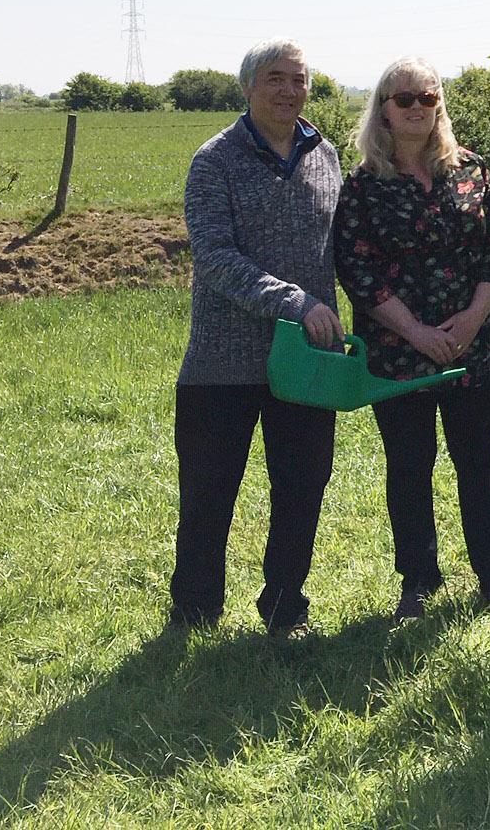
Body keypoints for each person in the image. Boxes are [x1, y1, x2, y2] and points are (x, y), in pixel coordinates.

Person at [333, 56, 490, 618]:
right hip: (399, 353)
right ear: (384, 111)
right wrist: (417, 332)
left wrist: (471, 321)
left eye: (428, 97)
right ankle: (418, 583)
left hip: (475, 349)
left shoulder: (471, 170)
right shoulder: (365, 186)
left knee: (479, 464)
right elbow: (358, 270)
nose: (418, 107)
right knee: (409, 468)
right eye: (405, 99)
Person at [170, 39, 344, 634]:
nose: (288, 90)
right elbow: (214, 258)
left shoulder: (326, 156)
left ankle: (285, 609)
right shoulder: (214, 159)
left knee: (302, 490)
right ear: (247, 87)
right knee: (208, 495)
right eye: (274, 78)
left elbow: (336, 252)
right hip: (223, 363)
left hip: (306, 365)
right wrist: (294, 302)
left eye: (298, 79)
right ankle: (195, 614)